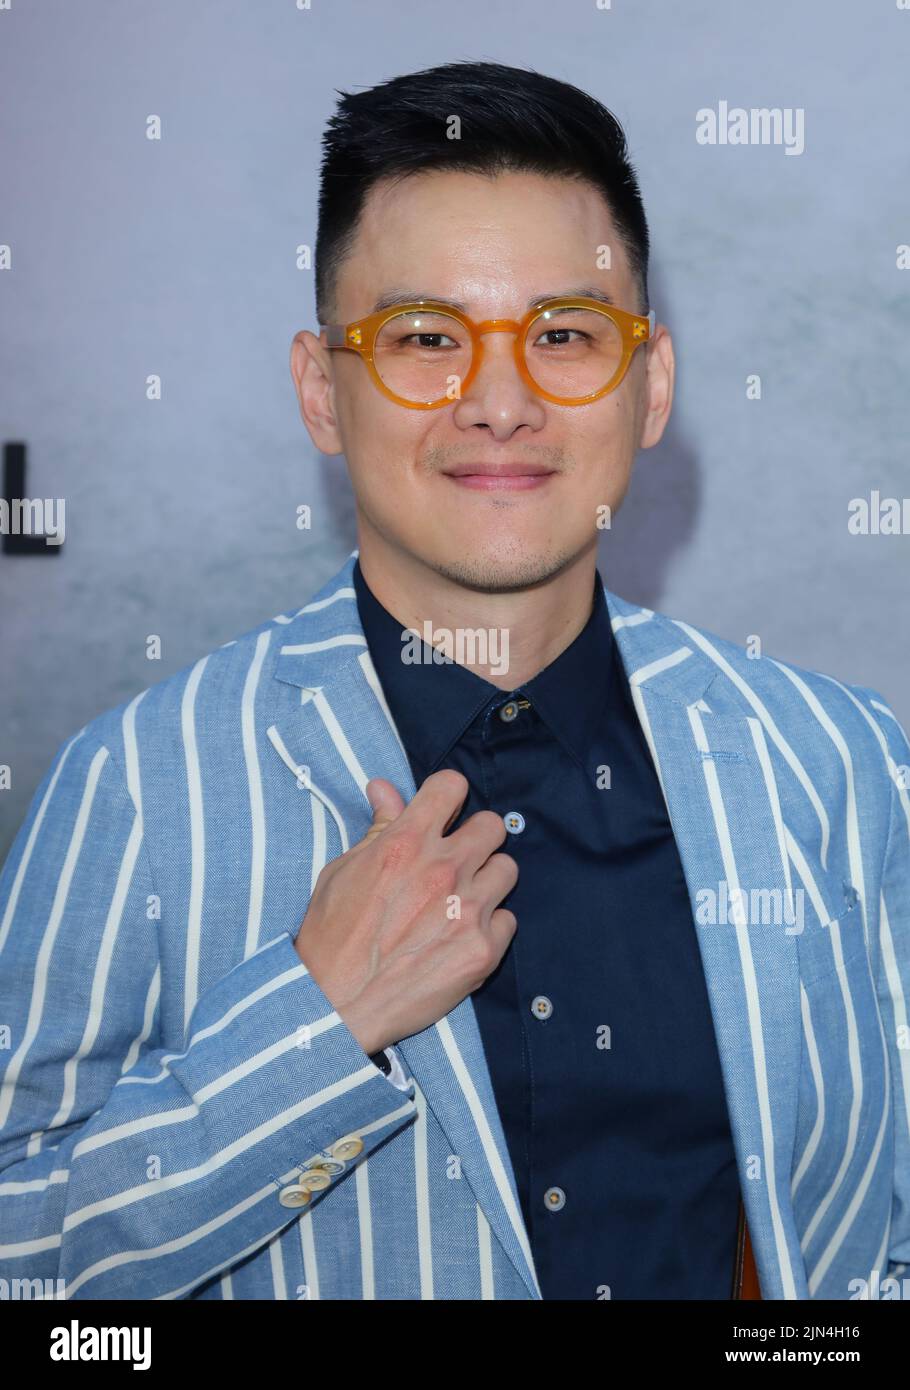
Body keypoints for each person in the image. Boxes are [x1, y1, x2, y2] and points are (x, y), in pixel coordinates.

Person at [1, 59, 907, 1302]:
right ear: (322, 393)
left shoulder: (839, 765)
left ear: (651, 387)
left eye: (564, 336)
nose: (498, 402)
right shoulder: (137, 789)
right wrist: (313, 1025)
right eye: (426, 339)